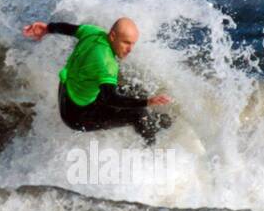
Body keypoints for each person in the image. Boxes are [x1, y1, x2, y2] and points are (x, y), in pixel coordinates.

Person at [22, 17, 172, 145]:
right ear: (112, 36)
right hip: (76, 116)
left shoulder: (92, 32)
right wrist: (148, 102)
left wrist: (48, 28)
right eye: (126, 43)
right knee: (138, 114)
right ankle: (154, 152)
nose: (130, 49)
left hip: (67, 88)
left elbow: (69, 29)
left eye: (133, 43)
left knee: (134, 90)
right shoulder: (106, 65)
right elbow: (110, 98)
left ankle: (153, 120)